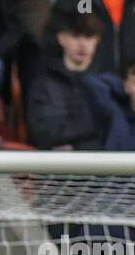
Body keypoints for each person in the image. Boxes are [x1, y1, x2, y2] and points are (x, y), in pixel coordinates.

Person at [27, 12, 105, 151]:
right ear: (61, 38)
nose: (82, 45)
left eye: (88, 37)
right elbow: (43, 132)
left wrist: (76, 145)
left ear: (97, 40)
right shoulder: (44, 83)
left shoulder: (108, 82)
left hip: (101, 163)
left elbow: (115, 132)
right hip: (58, 165)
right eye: (75, 36)